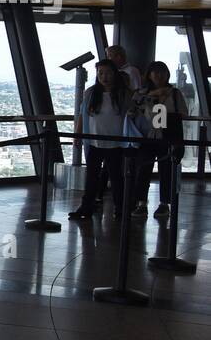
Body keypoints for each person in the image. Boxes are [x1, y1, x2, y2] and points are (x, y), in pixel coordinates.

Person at [68, 59, 134, 220]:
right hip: (94, 141)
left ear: (115, 74)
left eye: (108, 73)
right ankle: (87, 207)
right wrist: (78, 134)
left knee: (117, 178)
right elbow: (83, 115)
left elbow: (132, 114)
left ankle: (120, 209)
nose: (104, 77)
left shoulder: (124, 94)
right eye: (101, 73)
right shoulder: (91, 93)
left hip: (116, 143)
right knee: (92, 176)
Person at [130, 60, 187, 218]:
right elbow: (132, 109)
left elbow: (183, 112)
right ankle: (141, 202)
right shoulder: (141, 93)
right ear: (149, 75)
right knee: (143, 169)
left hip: (167, 136)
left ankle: (164, 203)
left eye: (162, 72)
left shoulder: (174, 93)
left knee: (166, 169)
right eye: (156, 72)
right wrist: (152, 96)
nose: (159, 75)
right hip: (147, 136)